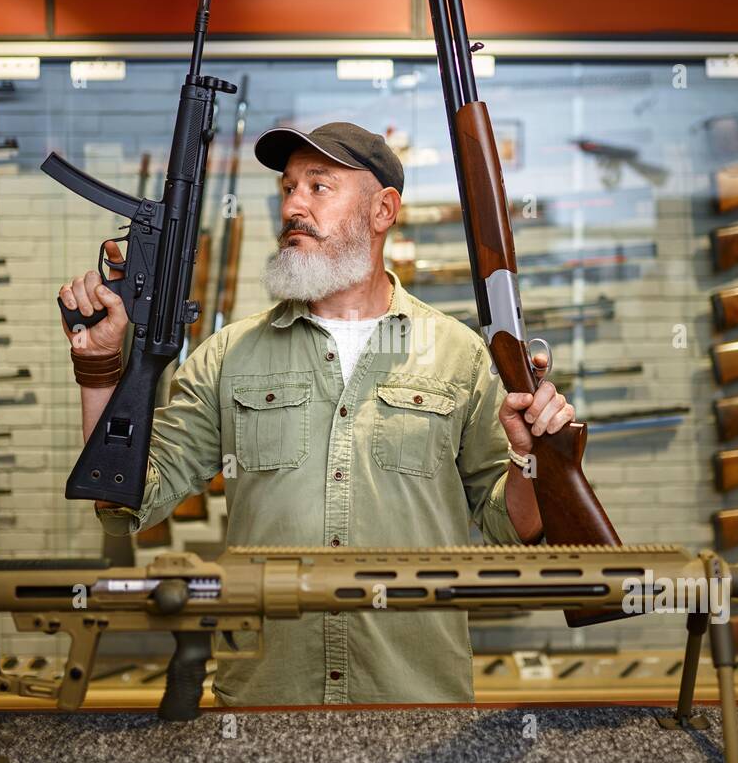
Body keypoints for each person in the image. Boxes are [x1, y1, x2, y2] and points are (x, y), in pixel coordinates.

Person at [59, 121, 578, 706]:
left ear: (383, 210)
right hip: (267, 707)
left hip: (416, 708)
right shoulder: (229, 356)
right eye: (287, 188)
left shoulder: (458, 355)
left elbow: (513, 530)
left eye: (319, 186)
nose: (293, 206)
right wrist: (101, 368)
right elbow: (124, 501)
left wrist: (530, 460)